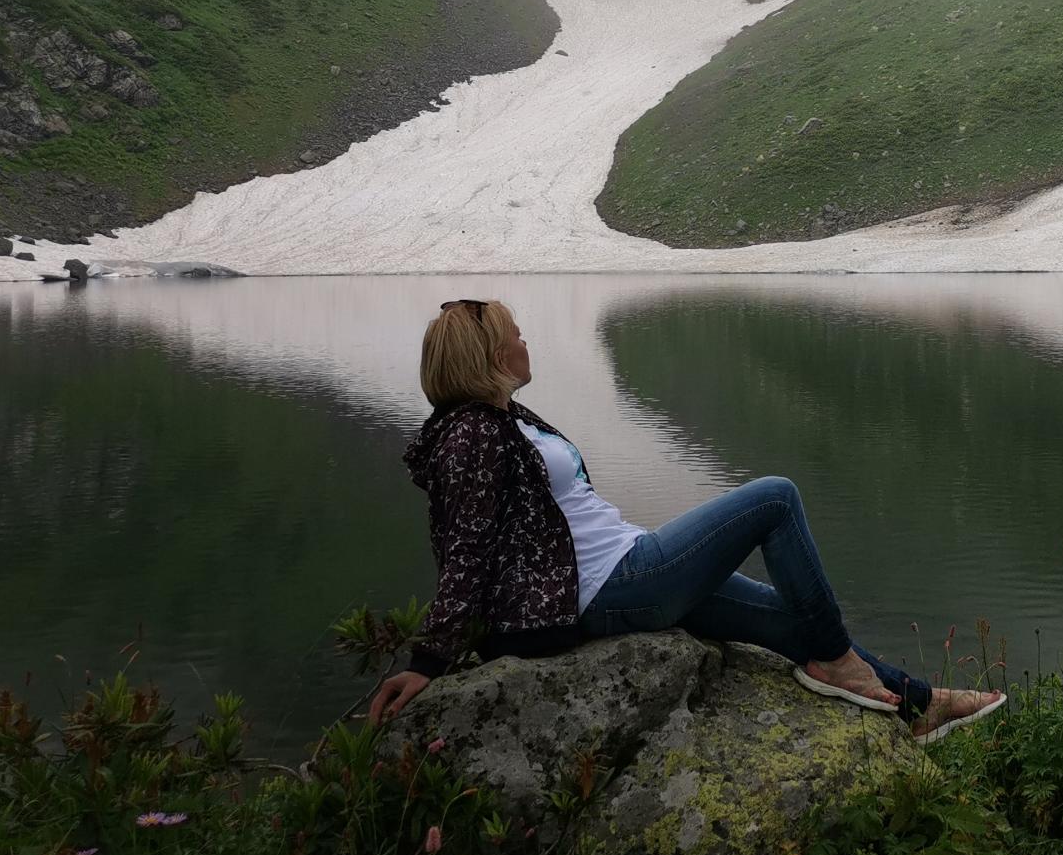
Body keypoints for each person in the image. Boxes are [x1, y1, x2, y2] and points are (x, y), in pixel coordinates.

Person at [367, 298, 1004, 743]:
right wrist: (430, 658)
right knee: (774, 498)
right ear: (486, 352)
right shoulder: (471, 434)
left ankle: (918, 705)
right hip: (612, 587)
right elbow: (466, 550)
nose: (524, 340)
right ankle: (838, 661)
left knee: (792, 621)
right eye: (514, 332)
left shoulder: (504, 420)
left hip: (625, 567)